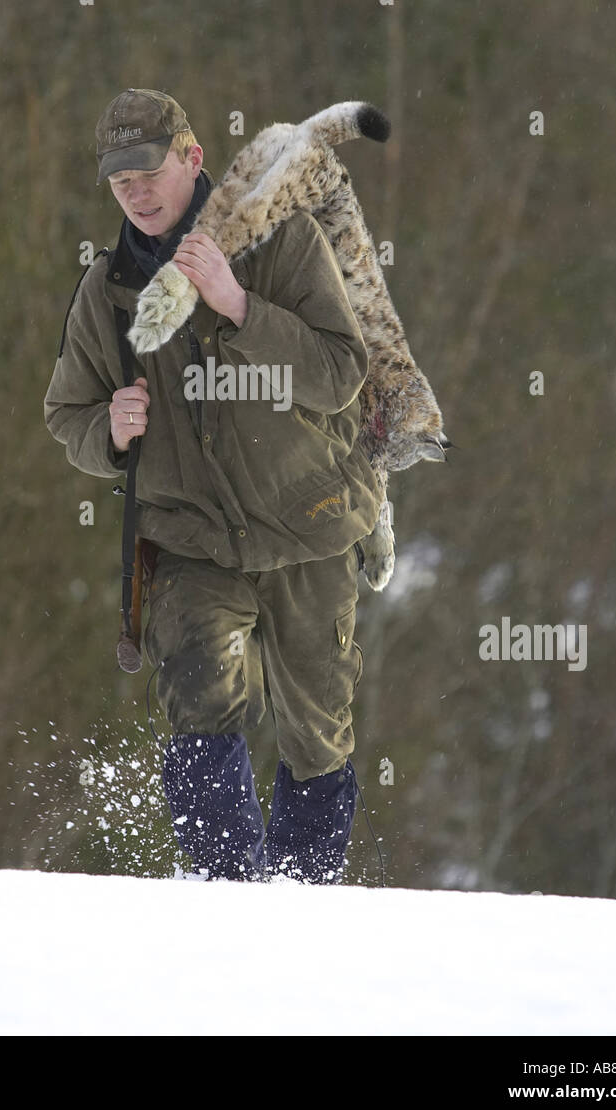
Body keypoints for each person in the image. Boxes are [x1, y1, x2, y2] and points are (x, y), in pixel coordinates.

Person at [44, 88, 383, 883]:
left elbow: (341, 373)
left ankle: (302, 907)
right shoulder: (109, 290)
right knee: (197, 690)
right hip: (191, 540)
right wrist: (111, 430)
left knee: (317, 732)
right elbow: (68, 413)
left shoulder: (281, 243)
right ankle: (226, 897)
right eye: (118, 180)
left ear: (193, 160)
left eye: (147, 171)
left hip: (311, 522)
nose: (134, 191)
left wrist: (237, 305)